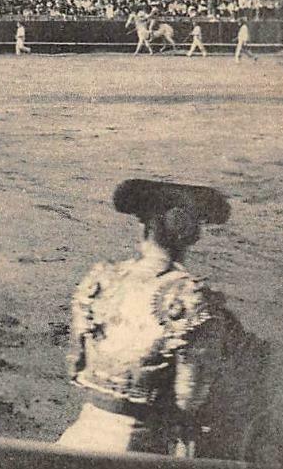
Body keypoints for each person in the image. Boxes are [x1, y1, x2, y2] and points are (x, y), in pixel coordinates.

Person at [58, 179, 233, 456]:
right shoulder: (191, 298)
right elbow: (189, 399)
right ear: (190, 233)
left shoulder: (101, 279)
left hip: (82, 433)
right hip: (142, 448)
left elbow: (75, 367)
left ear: (144, 225)